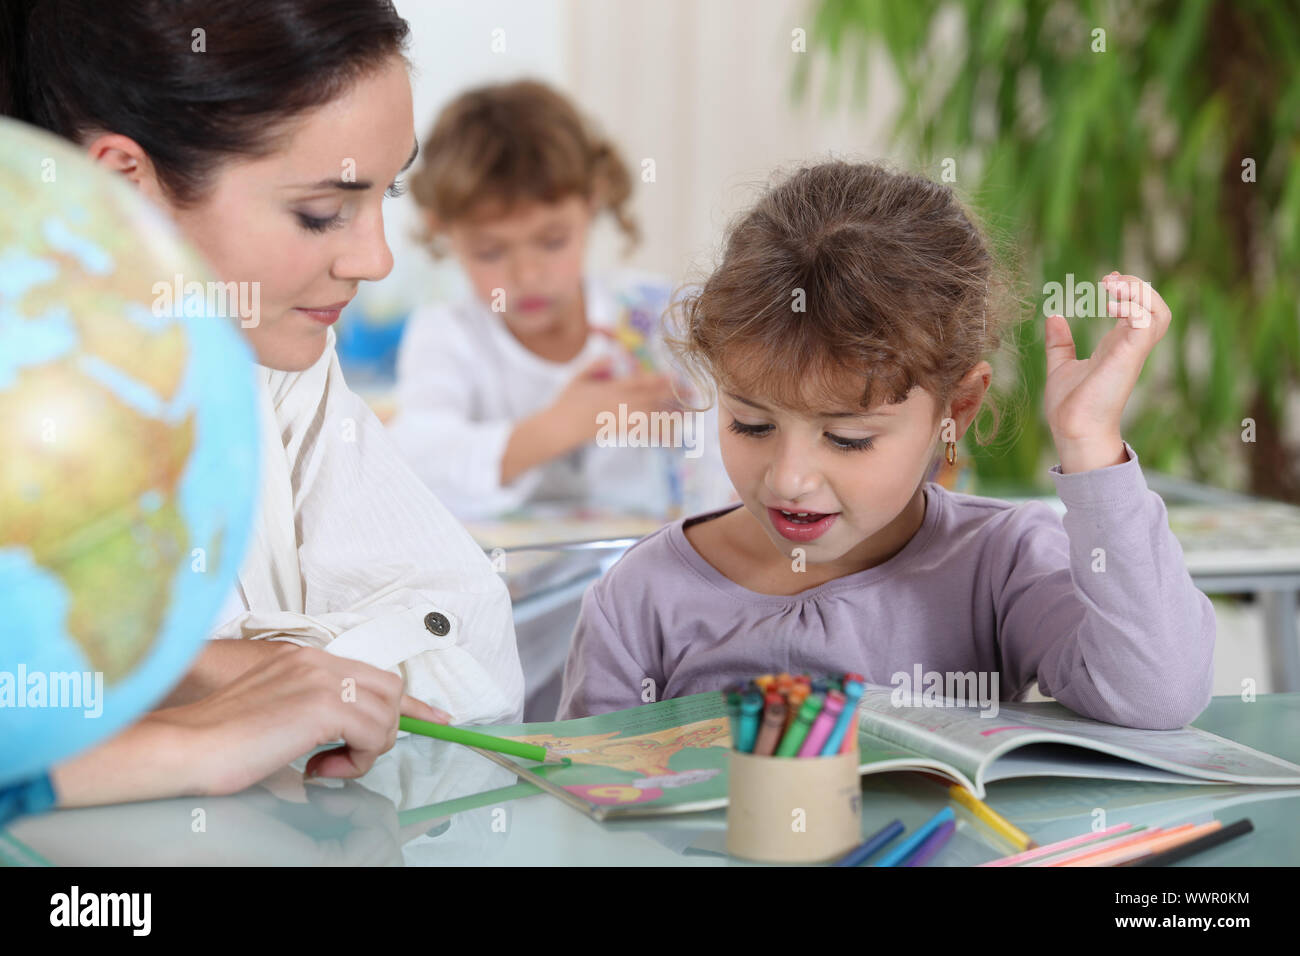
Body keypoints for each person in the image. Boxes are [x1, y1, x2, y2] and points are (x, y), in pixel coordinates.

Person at [0, 0, 523, 814]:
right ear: (121, 184)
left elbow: (473, 651)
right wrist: (190, 696)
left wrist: (201, 674)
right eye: (321, 212)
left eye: (392, 190)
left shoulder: (274, 352)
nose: (375, 258)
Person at [557, 160, 1216, 731]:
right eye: (752, 425)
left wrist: (1090, 444)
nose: (788, 479)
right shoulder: (641, 598)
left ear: (956, 408)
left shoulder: (1001, 561)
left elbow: (1157, 693)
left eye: (847, 439)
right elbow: (587, 813)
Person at [388, 79, 733, 521]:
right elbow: (414, 462)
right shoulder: (448, 335)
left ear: (592, 204)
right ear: (442, 230)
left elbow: (727, 453)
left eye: (551, 241)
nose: (527, 275)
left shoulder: (654, 315)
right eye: (490, 251)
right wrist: (564, 425)